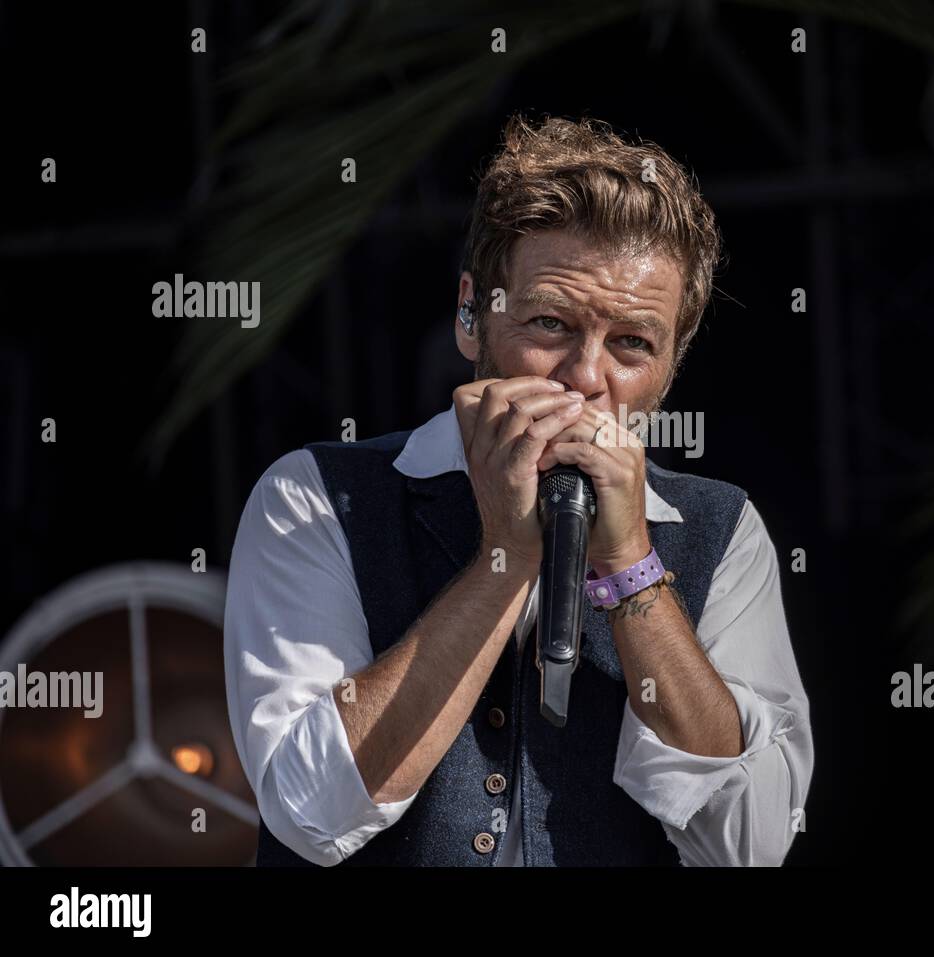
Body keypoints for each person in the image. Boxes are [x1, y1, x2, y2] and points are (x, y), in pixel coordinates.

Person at [223, 114, 813, 866]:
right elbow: (309, 814)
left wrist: (631, 561)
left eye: (632, 342)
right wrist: (504, 555)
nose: (586, 376)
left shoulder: (720, 529)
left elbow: (751, 845)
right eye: (550, 323)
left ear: (672, 364)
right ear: (472, 315)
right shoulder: (317, 498)